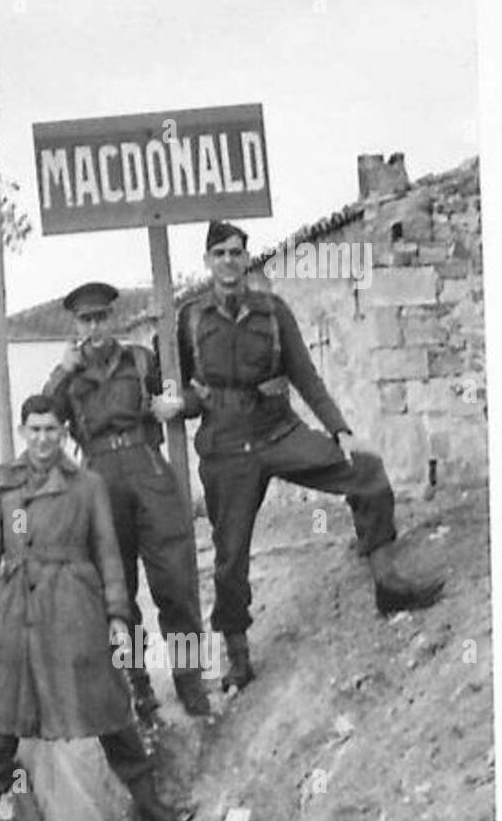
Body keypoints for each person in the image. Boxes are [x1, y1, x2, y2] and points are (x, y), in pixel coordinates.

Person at [177, 220, 446, 691]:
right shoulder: (191, 319)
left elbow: (305, 376)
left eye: (236, 252)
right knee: (230, 555)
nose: (228, 261)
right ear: (207, 261)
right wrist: (180, 403)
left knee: (365, 471)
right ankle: (237, 654)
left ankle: (388, 583)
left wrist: (339, 430)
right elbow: (187, 387)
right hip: (225, 446)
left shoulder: (273, 311)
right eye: (219, 253)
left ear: (246, 258)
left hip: (279, 432)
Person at [0, 394, 193, 821]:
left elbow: (108, 554)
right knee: (2, 715)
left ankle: (152, 809)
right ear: (23, 432)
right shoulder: (2, 484)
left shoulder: (87, 485)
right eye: (35, 429)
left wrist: (118, 617)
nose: (43, 439)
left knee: (107, 707)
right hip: (19, 610)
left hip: (74, 608)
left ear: (62, 434)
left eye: (52, 430)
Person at [46, 281, 211, 721]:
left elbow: (193, 396)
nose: (95, 327)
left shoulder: (140, 360)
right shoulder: (68, 376)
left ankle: (190, 678)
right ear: (76, 325)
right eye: (86, 320)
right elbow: (42, 419)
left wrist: (177, 404)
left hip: (148, 469)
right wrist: (62, 372)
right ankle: (136, 685)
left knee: (175, 582)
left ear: (112, 320)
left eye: (102, 318)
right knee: (115, 592)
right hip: (99, 478)